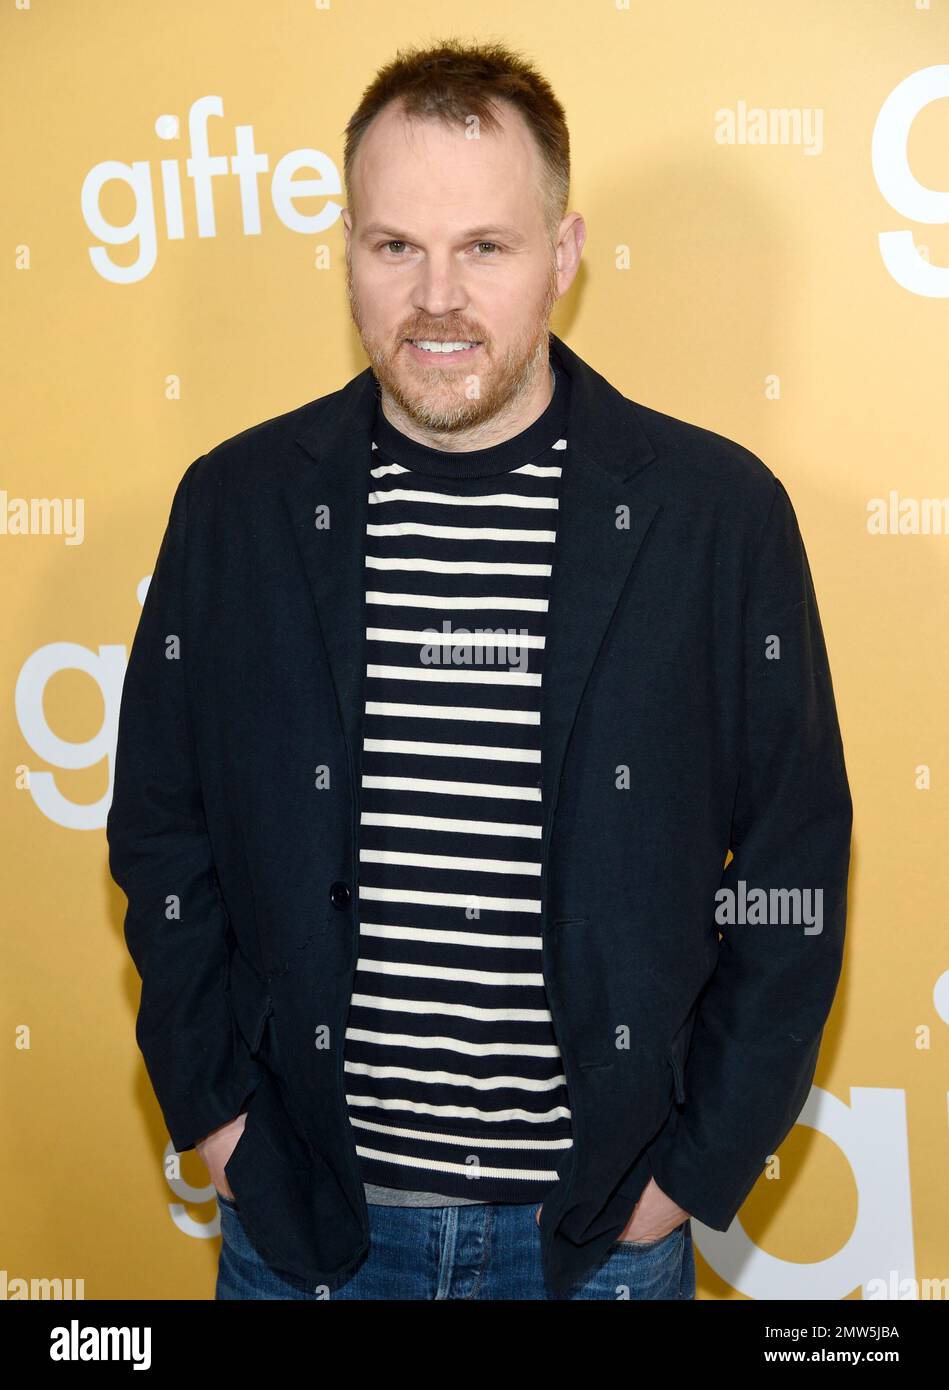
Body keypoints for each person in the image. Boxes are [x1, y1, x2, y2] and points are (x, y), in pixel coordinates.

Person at [107, 39, 852, 1301]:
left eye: (485, 248)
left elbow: (788, 866)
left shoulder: (712, 516)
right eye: (395, 246)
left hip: (596, 1246)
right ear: (346, 253)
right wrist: (220, 1121)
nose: (435, 297)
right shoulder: (237, 506)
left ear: (562, 257)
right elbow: (162, 827)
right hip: (304, 1234)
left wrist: (689, 1172)